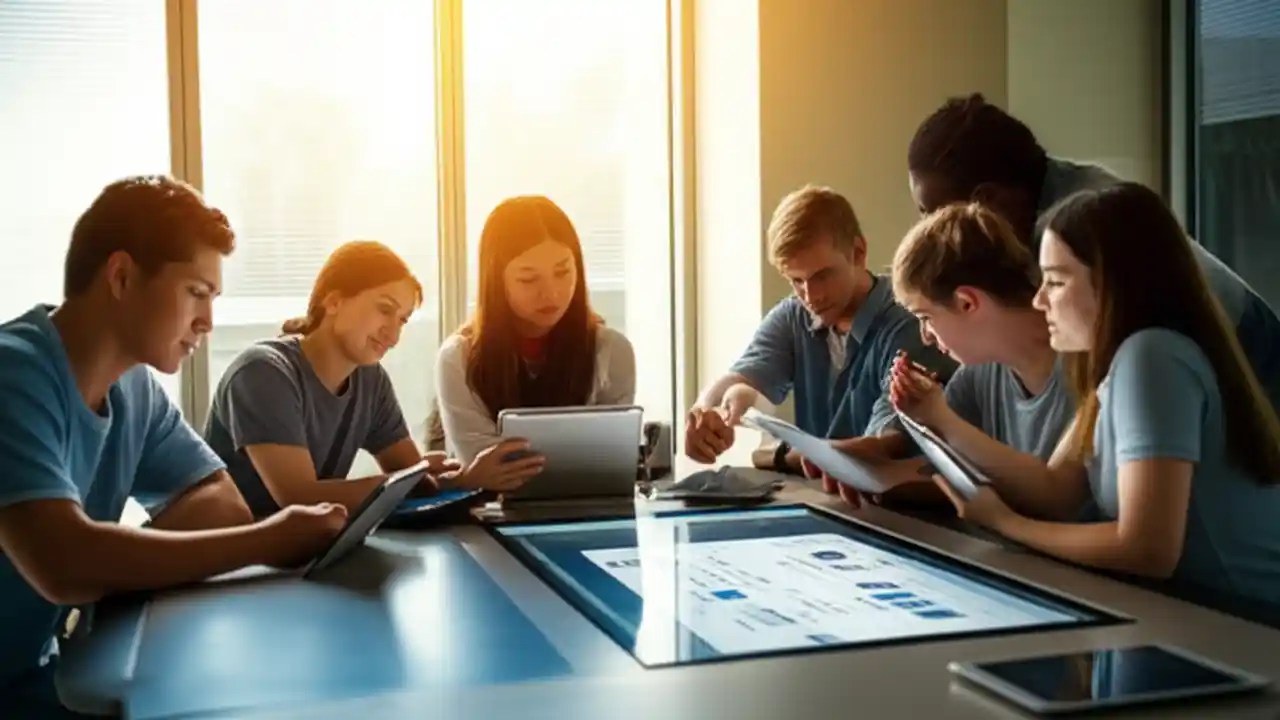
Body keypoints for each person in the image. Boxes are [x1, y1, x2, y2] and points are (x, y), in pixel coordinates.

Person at [0, 177, 346, 715]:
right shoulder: (12, 374)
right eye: (196, 293)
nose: (207, 322)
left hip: (39, 680)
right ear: (121, 276)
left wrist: (107, 560)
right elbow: (62, 564)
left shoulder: (135, 387)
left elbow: (221, 504)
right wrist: (268, 540)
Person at [899, 183, 1280, 608]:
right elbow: (1057, 489)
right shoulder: (1114, 365)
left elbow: (1147, 548)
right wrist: (939, 423)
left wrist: (1006, 523)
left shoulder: (1152, 357)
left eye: (1057, 282)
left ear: (1112, 283)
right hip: (1196, 612)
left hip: (1248, 623)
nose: (1040, 300)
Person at [906, 93, 1280, 411]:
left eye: (930, 211)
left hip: (1249, 367)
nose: (928, 227)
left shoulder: (1081, 228)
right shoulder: (1039, 206)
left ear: (985, 200)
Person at [205, 241, 537, 518]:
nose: (393, 334)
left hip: (305, 555)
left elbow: (413, 479)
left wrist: (460, 476)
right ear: (333, 301)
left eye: (403, 320)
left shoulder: (370, 380)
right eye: (384, 309)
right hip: (237, 565)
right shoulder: (264, 372)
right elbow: (299, 497)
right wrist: (451, 480)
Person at [684, 184, 953, 479]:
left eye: (822, 276)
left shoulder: (910, 322)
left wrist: (776, 455)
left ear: (858, 253)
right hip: (827, 501)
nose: (811, 296)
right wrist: (704, 414)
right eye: (796, 281)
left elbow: (883, 448)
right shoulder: (794, 315)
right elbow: (740, 379)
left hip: (902, 511)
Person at [822, 203, 1074, 509]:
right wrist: (871, 458)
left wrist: (938, 416)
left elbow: (1056, 500)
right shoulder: (976, 377)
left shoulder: (1089, 371)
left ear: (967, 302)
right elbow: (943, 471)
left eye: (925, 317)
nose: (925, 335)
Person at [435, 196, 636, 463]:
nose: (551, 293)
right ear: (495, 281)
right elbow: (484, 466)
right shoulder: (459, 358)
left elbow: (611, 459)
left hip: (589, 504)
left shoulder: (611, 351)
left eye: (563, 272)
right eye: (528, 279)